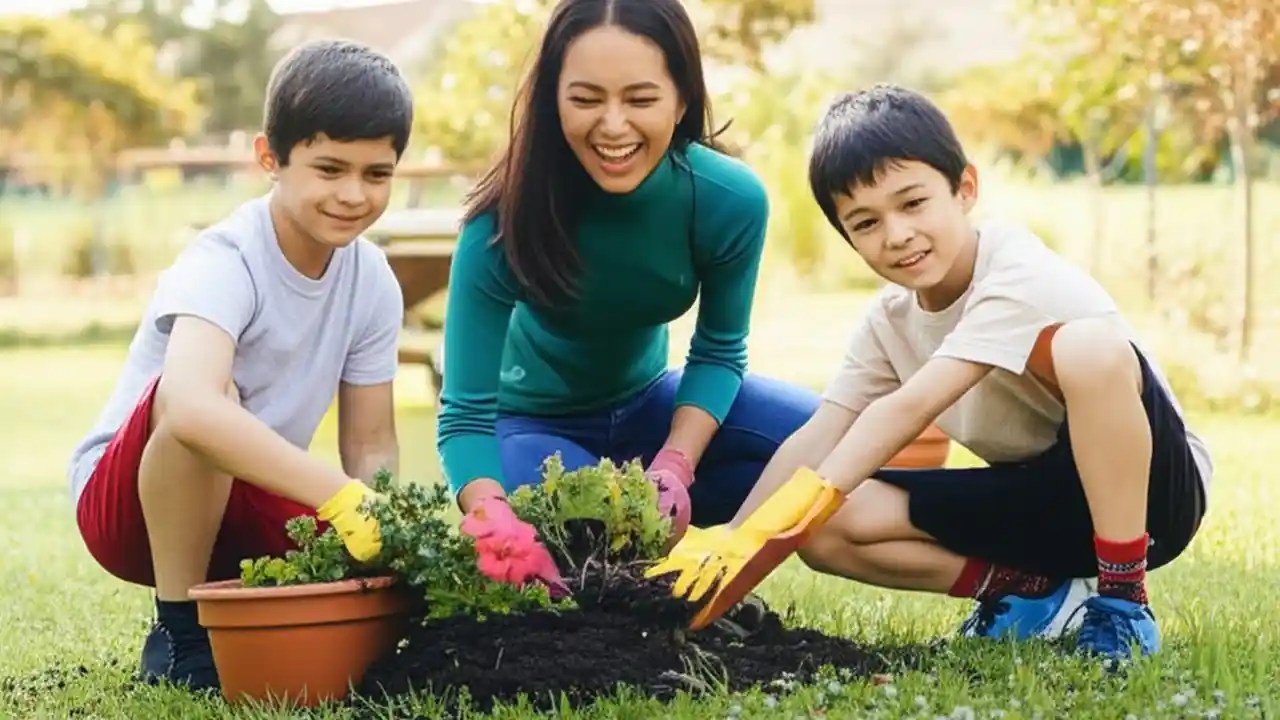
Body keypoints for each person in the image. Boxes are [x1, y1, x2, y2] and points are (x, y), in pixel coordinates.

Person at [653, 84, 1212, 664]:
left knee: (1089, 348)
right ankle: (1036, 595)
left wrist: (785, 521)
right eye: (866, 223)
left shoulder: (1014, 268)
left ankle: (1123, 603)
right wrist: (734, 543)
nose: (896, 234)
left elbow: (910, 407)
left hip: (1153, 499)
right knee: (825, 526)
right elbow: (818, 436)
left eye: (913, 203)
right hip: (1040, 498)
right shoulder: (889, 323)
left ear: (964, 188)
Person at [66, 39, 413, 691]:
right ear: (270, 159)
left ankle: (237, 609)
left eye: (376, 174)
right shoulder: (225, 258)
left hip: (252, 500)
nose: (353, 195)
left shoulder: (372, 280)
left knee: (377, 597)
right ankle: (180, 630)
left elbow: (370, 440)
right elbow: (191, 407)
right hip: (129, 506)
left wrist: (387, 522)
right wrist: (341, 497)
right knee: (203, 397)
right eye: (330, 169)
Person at [439, 0, 820, 571]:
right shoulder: (501, 223)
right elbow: (465, 416)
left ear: (682, 98)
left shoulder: (727, 201)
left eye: (641, 99)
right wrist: (496, 522)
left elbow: (718, 350)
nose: (613, 126)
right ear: (552, 100)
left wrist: (675, 464)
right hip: (532, 428)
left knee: (834, 449)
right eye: (586, 99)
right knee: (590, 538)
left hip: (650, 406)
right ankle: (627, 573)